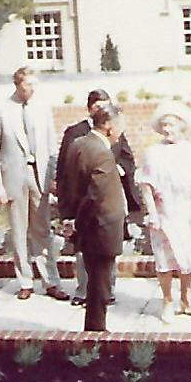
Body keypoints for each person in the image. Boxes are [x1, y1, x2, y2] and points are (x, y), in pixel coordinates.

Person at [0, 66, 70, 301]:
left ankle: (51, 281)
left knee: (42, 230)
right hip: (14, 176)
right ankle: (25, 280)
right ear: (17, 85)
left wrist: (53, 177)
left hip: (38, 174)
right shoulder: (0, 109)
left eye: (33, 85)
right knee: (19, 231)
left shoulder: (42, 108)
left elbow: (51, 147)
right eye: (26, 86)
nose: (30, 90)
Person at [57, 88, 141, 307]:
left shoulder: (115, 135)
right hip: (85, 203)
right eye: (98, 107)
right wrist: (68, 213)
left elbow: (127, 159)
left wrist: (120, 170)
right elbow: (65, 172)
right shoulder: (76, 135)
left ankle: (106, 292)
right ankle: (85, 291)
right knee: (86, 251)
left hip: (108, 200)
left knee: (107, 251)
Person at [137, 101, 191, 323]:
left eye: (171, 124)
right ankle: (167, 301)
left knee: (187, 257)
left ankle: (186, 299)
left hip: (187, 213)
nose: (167, 129)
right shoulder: (153, 153)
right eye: (164, 125)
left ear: (182, 126)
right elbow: (146, 185)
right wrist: (152, 213)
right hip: (163, 213)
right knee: (164, 260)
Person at [60, 102, 127, 331]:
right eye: (120, 127)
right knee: (100, 285)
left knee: (94, 283)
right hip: (101, 228)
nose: (121, 133)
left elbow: (68, 185)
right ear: (108, 126)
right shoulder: (102, 154)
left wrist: (69, 218)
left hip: (87, 228)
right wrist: (79, 222)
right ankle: (96, 332)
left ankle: (94, 327)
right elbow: (95, 196)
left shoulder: (78, 144)